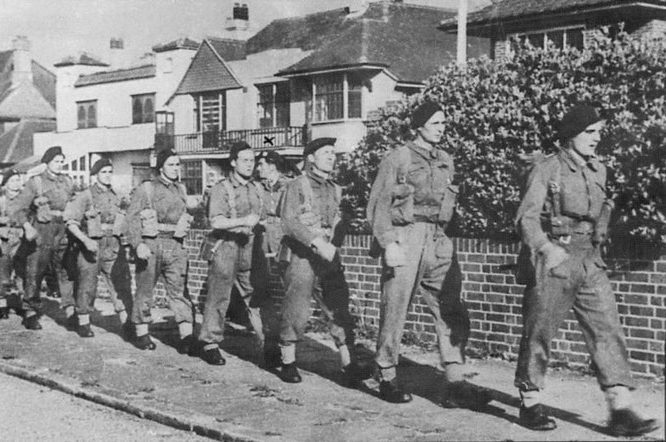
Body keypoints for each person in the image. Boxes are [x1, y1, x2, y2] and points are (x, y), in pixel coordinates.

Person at [513, 104, 659, 436]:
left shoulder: (598, 169)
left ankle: (620, 409)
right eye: (589, 132)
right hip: (556, 257)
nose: (596, 139)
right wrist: (546, 249)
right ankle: (530, 401)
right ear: (570, 136)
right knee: (539, 330)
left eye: (599, 133)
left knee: (606, 328)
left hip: (590, 259)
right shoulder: (547, 169)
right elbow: (526, 218)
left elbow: (601, 209)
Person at [366, 101, 491, 408]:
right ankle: (386, 374)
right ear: (419, 126)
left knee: (451, 307)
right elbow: (378, 203)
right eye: (435, 123)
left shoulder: (446, 159)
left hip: (438, 238)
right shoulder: (399, 157)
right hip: (406, 235)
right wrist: (388, 242)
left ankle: (455, 381)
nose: (441, 128)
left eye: (444, 123)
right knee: (395, 307)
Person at [276, 137, 360, 384]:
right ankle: (287, 362)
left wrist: (335, 242)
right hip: (302, 254)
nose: (332, 157)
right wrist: (316, 242)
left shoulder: (335, 188)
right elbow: (289, 221)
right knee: (296, 308)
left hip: (328, 256)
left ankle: (348, 364)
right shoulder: (296, 185)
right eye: (326, 153)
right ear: (311, 158)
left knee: (338, 306)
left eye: (333, 153)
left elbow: (339, 220)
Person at [197, 141, 264, 365]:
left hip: (250, 247)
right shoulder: (221, 188)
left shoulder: (256, 188)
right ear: (234, 162)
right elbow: (216, 221)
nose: (249, 164)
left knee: (254, 295)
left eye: (252, 160)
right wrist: (243, 221)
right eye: (244, 160)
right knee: (219, 295)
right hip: (226, 246)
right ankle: (210, 343)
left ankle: (267, 345)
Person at [126, 148, 194, 351]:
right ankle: (141, 333)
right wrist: (138, 244)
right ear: (161, 167)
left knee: (179, 290)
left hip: (175, 244)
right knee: (145, 290)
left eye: (177, 164)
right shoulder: (147, 188)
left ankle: (187, 337)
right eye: (171, 164)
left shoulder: (181, 189)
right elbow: (131, 219)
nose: (175, 168)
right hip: (151, 243)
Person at [63, 158, 132, 338]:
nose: (107, 175)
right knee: (87, 285)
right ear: (95, 175)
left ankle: (127, 323)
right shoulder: (86, 195)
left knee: (119, 284)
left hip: (113, 245)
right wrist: (85, 240)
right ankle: (83, 322)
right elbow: (71, 223)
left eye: (110, 172)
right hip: (91, 247)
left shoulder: (117, 196)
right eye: (103, 172)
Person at [15, 146, 74, 330]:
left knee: (66, 270)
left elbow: (75, 204)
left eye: (62, 161)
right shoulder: (36, 182)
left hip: (63, 229)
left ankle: (70, 310)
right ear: (47, 162)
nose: (59, 164)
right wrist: (27, 227)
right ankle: (30, 311)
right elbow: (20, 209)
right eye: (56, 161)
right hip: (43, 230)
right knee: (36, 270)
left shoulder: (68, 181)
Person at [251, 150, 292, 365]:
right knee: (263, 294)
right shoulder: (258, 187)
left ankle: (285, 343)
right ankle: (269, 344)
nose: (258, 168)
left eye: (262, 164)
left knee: (285, 294)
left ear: (273, 165)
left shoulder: (288, 186)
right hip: (261, 246)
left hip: (283, 246)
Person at [0, 169, 27, 320]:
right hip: (5, 242)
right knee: (3, 276)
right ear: (6, 184)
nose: (16, 183)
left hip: (22, 240)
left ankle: (25, 305)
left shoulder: (25, 200)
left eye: (18, 180)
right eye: (13, 180)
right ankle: (2, 304)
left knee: (23, 274)